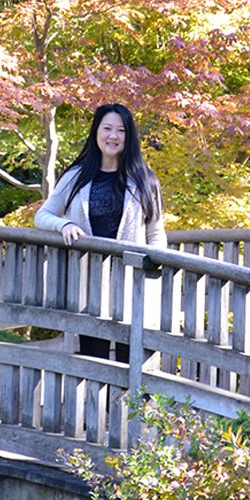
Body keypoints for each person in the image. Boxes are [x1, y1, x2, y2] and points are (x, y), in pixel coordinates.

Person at [35, 104, 167, 359]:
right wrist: (64, 225)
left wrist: (153, 264)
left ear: (129, 136)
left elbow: (156, 233)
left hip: (131, 286)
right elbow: (42, 215)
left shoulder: (144, 179)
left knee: (132, 360)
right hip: (89, 286)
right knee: (93, 358)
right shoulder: (76, 176)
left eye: (121, 130)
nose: (113, 136)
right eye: (107, 128)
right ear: (96, 131)